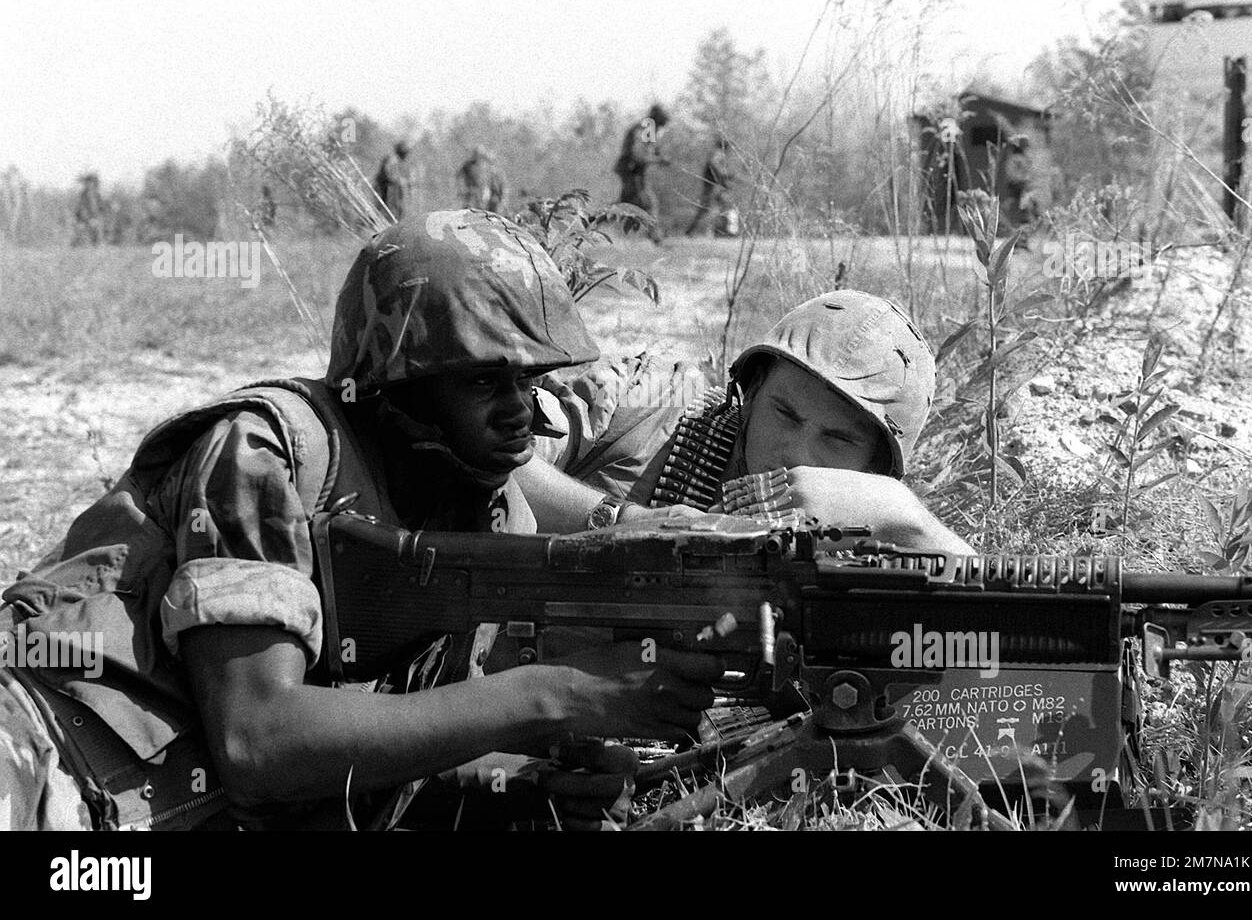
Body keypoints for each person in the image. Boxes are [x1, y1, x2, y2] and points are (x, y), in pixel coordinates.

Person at [0, 209, 722, 831]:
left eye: (529, 381)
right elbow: (259, 742)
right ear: (397, 386)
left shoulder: (487, 519)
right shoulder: (267, 455)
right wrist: (555, 693)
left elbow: (356, 770)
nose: (524, 414)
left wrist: (518, 785)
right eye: (482, 381)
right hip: (33, 755)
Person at [519, 290, 970, 554]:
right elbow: (494, 459)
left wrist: (905, 516)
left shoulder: (872, 533)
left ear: (874, 466)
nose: (796, 452)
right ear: (751, 394)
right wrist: (626, 521)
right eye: (784, 413)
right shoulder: (645, 399)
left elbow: (991, 637)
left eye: (836, 439)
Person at [614, 104, 671, 242]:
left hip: (634, 171)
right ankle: (656, 237)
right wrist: (659, 160)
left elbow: (650, 148)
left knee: (622, 205)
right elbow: (638, 155)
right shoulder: (646, 128)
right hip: (631, 170)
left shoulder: (648, 128)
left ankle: (587, 221)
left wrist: (658, 155)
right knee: (648, 202)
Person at [684, 133, 737, 237]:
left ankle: (723, 231)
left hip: (714, 186)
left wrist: (725, 180)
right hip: (712, 187)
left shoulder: (718, 153)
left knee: (720, 207)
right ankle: (693, 231)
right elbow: (714, 165)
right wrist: (725, 175)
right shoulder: (718, 153)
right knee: (708, 209)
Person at [457, 146, 507, 213]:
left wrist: (502, 199)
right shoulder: (468, 166)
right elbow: (459, 176)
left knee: (487, 210)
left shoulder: (493, 171)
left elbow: (500, 186)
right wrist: (462, 189)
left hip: (488, 195)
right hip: (472, 191)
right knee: (471, 208)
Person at [374, 140, 412, 220]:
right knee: (383, 207)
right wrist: (401, 181)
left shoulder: (397, 160)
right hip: (384, 187)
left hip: (389, 187)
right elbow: (390, 175)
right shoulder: (392, 159)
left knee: (392, 208)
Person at [72, 172, 105, 247]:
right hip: (83, 216)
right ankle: (78, 244)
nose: (89, 184)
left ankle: (96, 244)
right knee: (80, 230)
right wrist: (80, 215)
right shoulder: (83, 194)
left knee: (94, 228)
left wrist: (98, 214)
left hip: (93, 216)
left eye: (90, 182)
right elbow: (80, 206)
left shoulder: (96, 194)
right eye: (87, 182)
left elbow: (100, 206)